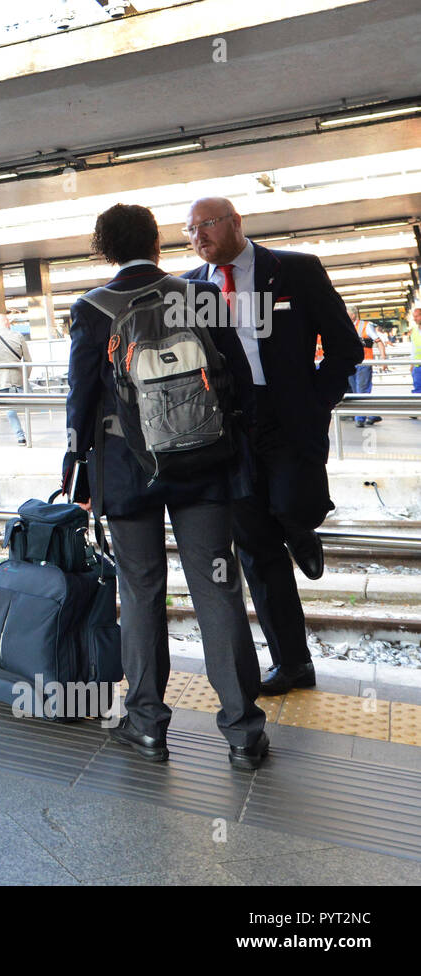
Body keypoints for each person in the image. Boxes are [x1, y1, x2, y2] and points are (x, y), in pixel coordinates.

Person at [63, 203, 267, 768]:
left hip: (129, 473)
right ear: (156, 243)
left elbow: (81, 401)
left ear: (105, 249)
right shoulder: (198, 295)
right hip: (202, 464)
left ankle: (148, 725)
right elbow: (238, 383)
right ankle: (243, 732)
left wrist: (76, 469)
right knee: (217, 589)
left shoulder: (93, 307)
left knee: (142, 592)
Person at [182, 196, 362, 695]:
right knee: (257, 553)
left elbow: (347, 347)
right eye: (190, 229)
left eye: (208, 225)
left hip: (286, 420)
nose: (199, 236)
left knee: (291, 506)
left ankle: (301, 529)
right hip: (230, 430)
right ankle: (293, 663)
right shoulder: (193, 287)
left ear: (236, 222)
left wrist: (315, 401)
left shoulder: (294, 271)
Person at [0, 313, 30, 445]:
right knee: (24, 406)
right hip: (18, 377)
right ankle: (22, 435)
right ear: (8, 323)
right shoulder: (18, 336)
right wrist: (25, 377)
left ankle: (20, 436)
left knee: (10, 408)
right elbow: (28, 360)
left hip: (0, 380)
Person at [347, 305, 387, 427]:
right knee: (355, 392)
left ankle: (359, 419)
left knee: (361, 391)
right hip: (350, 364)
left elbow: (378, 342)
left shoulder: (366, 326)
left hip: (364, 363)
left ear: (353, 315)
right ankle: (373, 415)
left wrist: (383, 359)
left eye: (346, 313)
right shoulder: (345, 326)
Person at [410, 306, 421, 396]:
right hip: (417, 366)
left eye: (417, 316)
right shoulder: (414, 331)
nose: (414, 319)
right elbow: (413, 348)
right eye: (414, 316)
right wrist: (412, 364)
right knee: (418, 392)